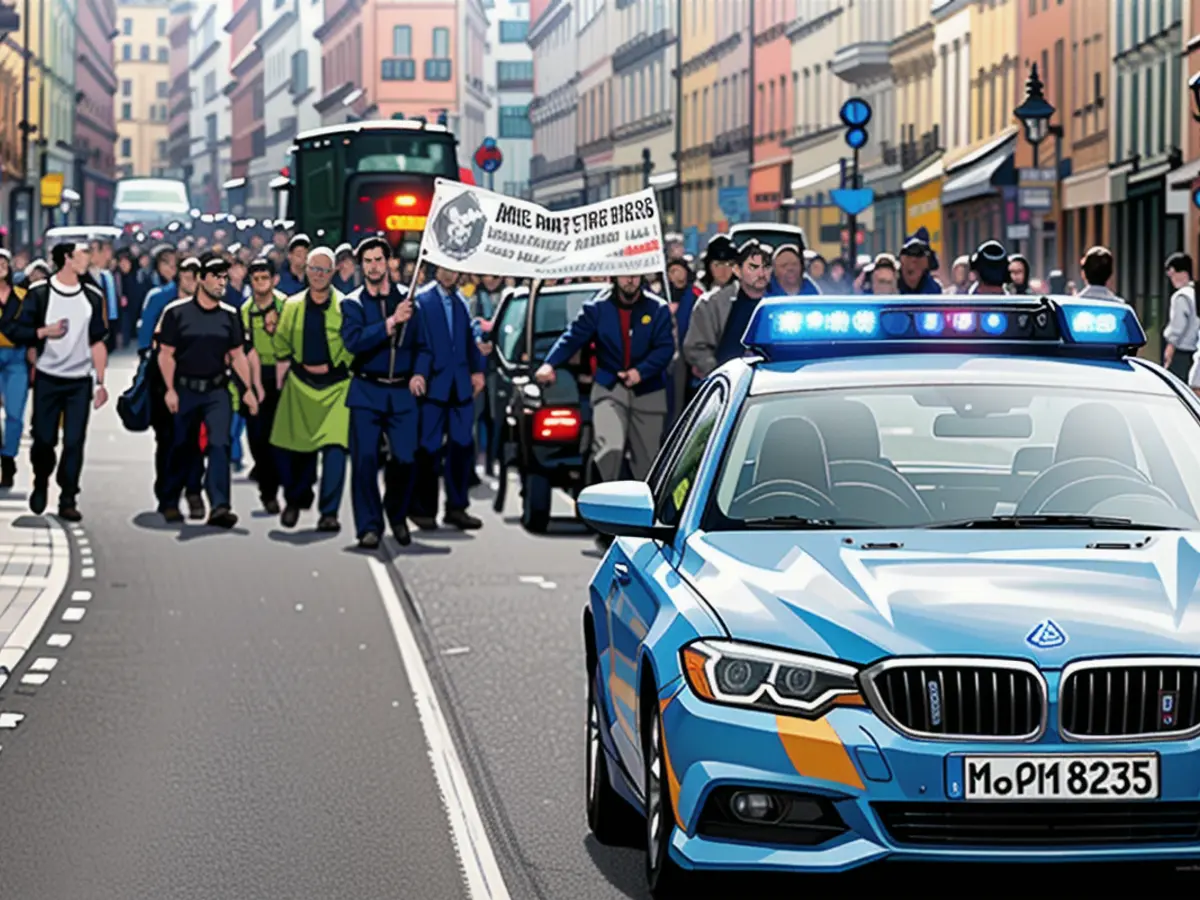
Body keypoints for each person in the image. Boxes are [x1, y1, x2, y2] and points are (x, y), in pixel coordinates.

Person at [536, 274, 674, 483]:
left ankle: (643, 509)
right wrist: (549, 363)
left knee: (648, 460)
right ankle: (605, 498)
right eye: (626, 276)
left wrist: (641, 372)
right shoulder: (596, 309)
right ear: (615, 278)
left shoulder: (658, 308)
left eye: (635, 276)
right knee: (609, 447)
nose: (631, 281)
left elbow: (665, 348)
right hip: (610, 387)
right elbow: (572, 338)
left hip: (648, 389)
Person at [155, 252, 259, 528]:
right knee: (182, 445)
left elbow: (238, 355)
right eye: (215, 276)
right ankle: (170, 500)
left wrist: (247, 389)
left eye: (224, 277)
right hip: (185, 386)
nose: (220, 282)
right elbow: (166, 354)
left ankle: (220, 505)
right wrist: (169, 389)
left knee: (219, 444)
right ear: (200, 279)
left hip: (217, 388)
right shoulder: (176, 313)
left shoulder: (230, 316)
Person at [8, 241, 109, 520]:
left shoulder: (92, 295)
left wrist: (100, 382)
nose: (87, 259)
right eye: (82, 254)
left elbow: (98, 341)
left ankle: (68, 497)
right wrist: (43, 332)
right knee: (43, 439)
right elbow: (19, 329)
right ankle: (41, 480)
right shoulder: (40, 293)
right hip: (48, 377)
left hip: (79, 380)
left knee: (75, 441)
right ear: (67, 258)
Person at [341, 237, 422, 549]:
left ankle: (397, 513)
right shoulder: (353, 303)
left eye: (379, 259)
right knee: (364, 461)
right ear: (362, 266)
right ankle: (369, 525)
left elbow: (423, 346)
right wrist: (390, 323)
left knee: (405, 459)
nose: (374, 266)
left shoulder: (410, 300)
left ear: (389, 262)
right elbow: (354, 341)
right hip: (367, 389)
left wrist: (419, 372)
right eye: (368, 261)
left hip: (401, 391)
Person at [269, 246, 352, 532]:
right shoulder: (291, 305)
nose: (318, 275)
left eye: (324, 270)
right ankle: (295, 500)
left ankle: (329, 512)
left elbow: (354, 346)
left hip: (337, 388)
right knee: (296, 450)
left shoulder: (346, 306)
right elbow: (280, 344)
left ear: (333, 273)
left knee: (335, 452)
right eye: (313, 269)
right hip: (300, 383)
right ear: (306, 271)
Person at [410, 266, 486, 531]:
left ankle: (456, 507)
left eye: (455, 270)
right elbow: (416, 342)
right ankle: (423, 509)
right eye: (447, 269)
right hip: (433, 385)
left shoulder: (460, 301)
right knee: (428, 449)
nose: (452, 274)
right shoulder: (422, 299)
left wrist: (478, 370)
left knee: (463, 445)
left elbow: (469, 339)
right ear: (436, 270)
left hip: (461, 384)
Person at [683, 240, 772, 378]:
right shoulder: (711, 303)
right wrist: (718, 375)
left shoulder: (779, 303)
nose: (761, 274)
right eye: (753, 267)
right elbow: (696, 347)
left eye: (766, 267)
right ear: (737, 270)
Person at [240, 257, 287, 513]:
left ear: (274, 279)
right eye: (256, 278)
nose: (260, 283)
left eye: (265, 278)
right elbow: (243, 350)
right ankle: (267, 485)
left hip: (282, 374)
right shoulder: (244, 311)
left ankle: (272, 490)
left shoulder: (286, 307)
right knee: (257, 436)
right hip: (253, 375)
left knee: (279, 437)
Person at [0, 250, 29, 488]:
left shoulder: (22, 295)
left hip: (17, 356)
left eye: (3, 264)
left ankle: (8, 459)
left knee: (14, 413)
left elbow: (32, 326)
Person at [1162, 252, 1197, 382]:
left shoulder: (1181, 296)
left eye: (1173, 274)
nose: (1172, 279)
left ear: (1183, 273)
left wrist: (1170, 346)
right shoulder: (1195, 293)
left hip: (1182, 352)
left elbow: (1178, 325)